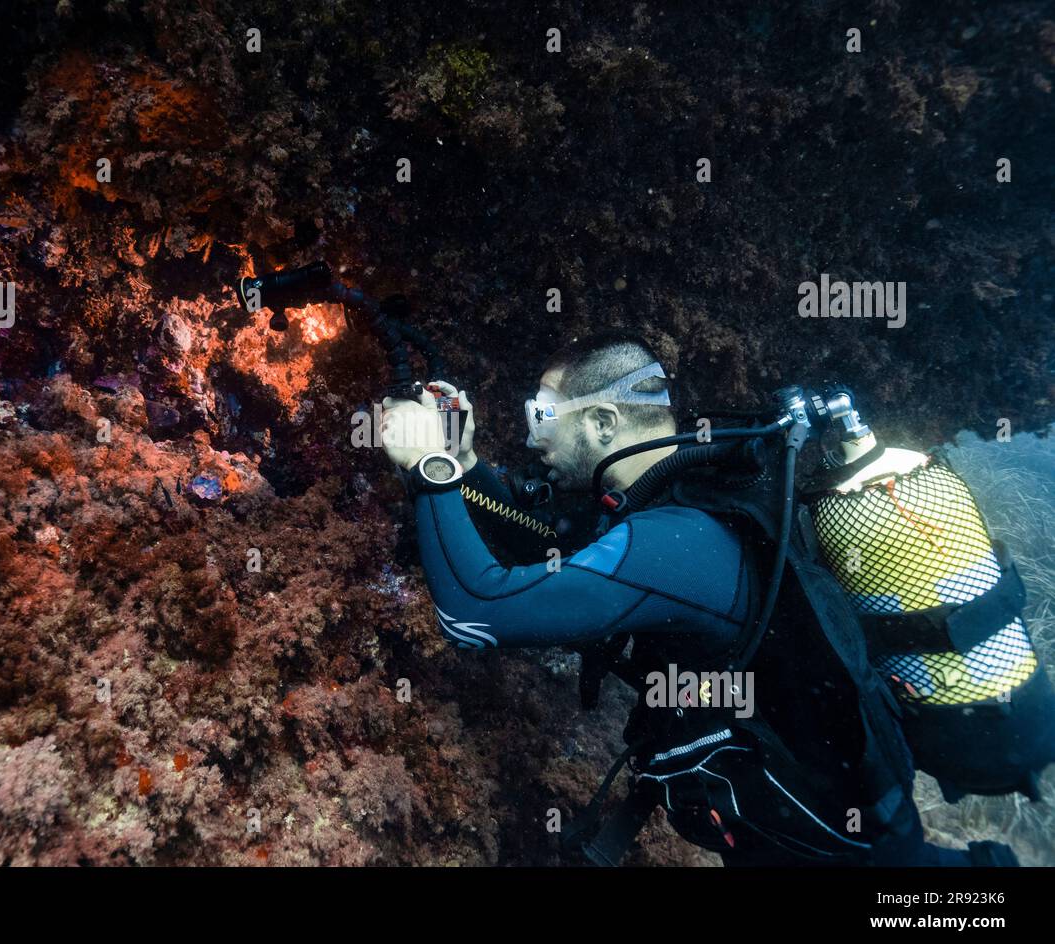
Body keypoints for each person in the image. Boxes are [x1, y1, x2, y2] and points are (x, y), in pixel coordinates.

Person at [379, 332, 1018, 867]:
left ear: (602, 422)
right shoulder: (671, 495)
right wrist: (463, 466)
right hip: (820, 820)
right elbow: (547, 549)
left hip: (834, 846)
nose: (530, 438)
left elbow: (476, 613)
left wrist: (426, 466)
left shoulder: (678, 542)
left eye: (540, 417)